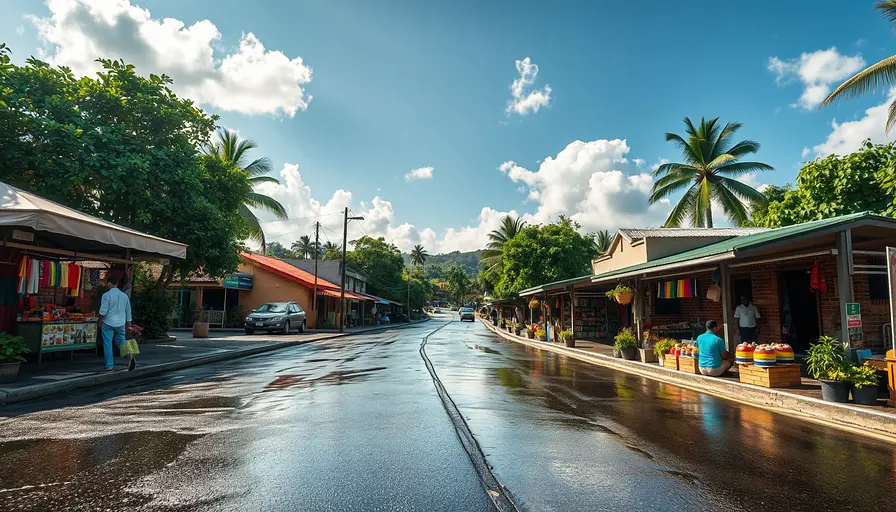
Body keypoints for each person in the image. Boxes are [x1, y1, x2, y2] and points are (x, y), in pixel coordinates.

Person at [99, 275, 134, 372]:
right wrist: (129, 326)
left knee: (107, 343)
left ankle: (109, 366)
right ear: (117, 284)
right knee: (121, 341)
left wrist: (99, 320)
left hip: (108, 322)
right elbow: (128, 312)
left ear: (109, 283)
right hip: (120, 323)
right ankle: (129, 355)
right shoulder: (124, 296)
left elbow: (103, 312)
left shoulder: (106, 295)